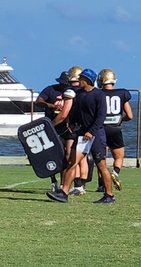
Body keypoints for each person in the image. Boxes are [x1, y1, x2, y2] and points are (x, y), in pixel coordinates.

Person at [48, 68, 115, 204]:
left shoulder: (99, 95)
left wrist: (91, 131)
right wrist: (72, 123)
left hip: (96, 135)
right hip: (81, 134)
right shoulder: (79, 94)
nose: (79, 81)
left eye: (81, 79)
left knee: (101, 166)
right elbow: (75, 112)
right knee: (72, 163)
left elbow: (101, 116)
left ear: (87, 80)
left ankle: (109, 195)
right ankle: (64, 193)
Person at [98, 68, 133, 191]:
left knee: (101, 158)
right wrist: (118, 119)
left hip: (101, 128)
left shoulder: (98, 93)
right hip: (115, 129)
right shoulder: (122, 93)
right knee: (118, 157)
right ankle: (115, 173)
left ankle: (102, 184)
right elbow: (130, 116)